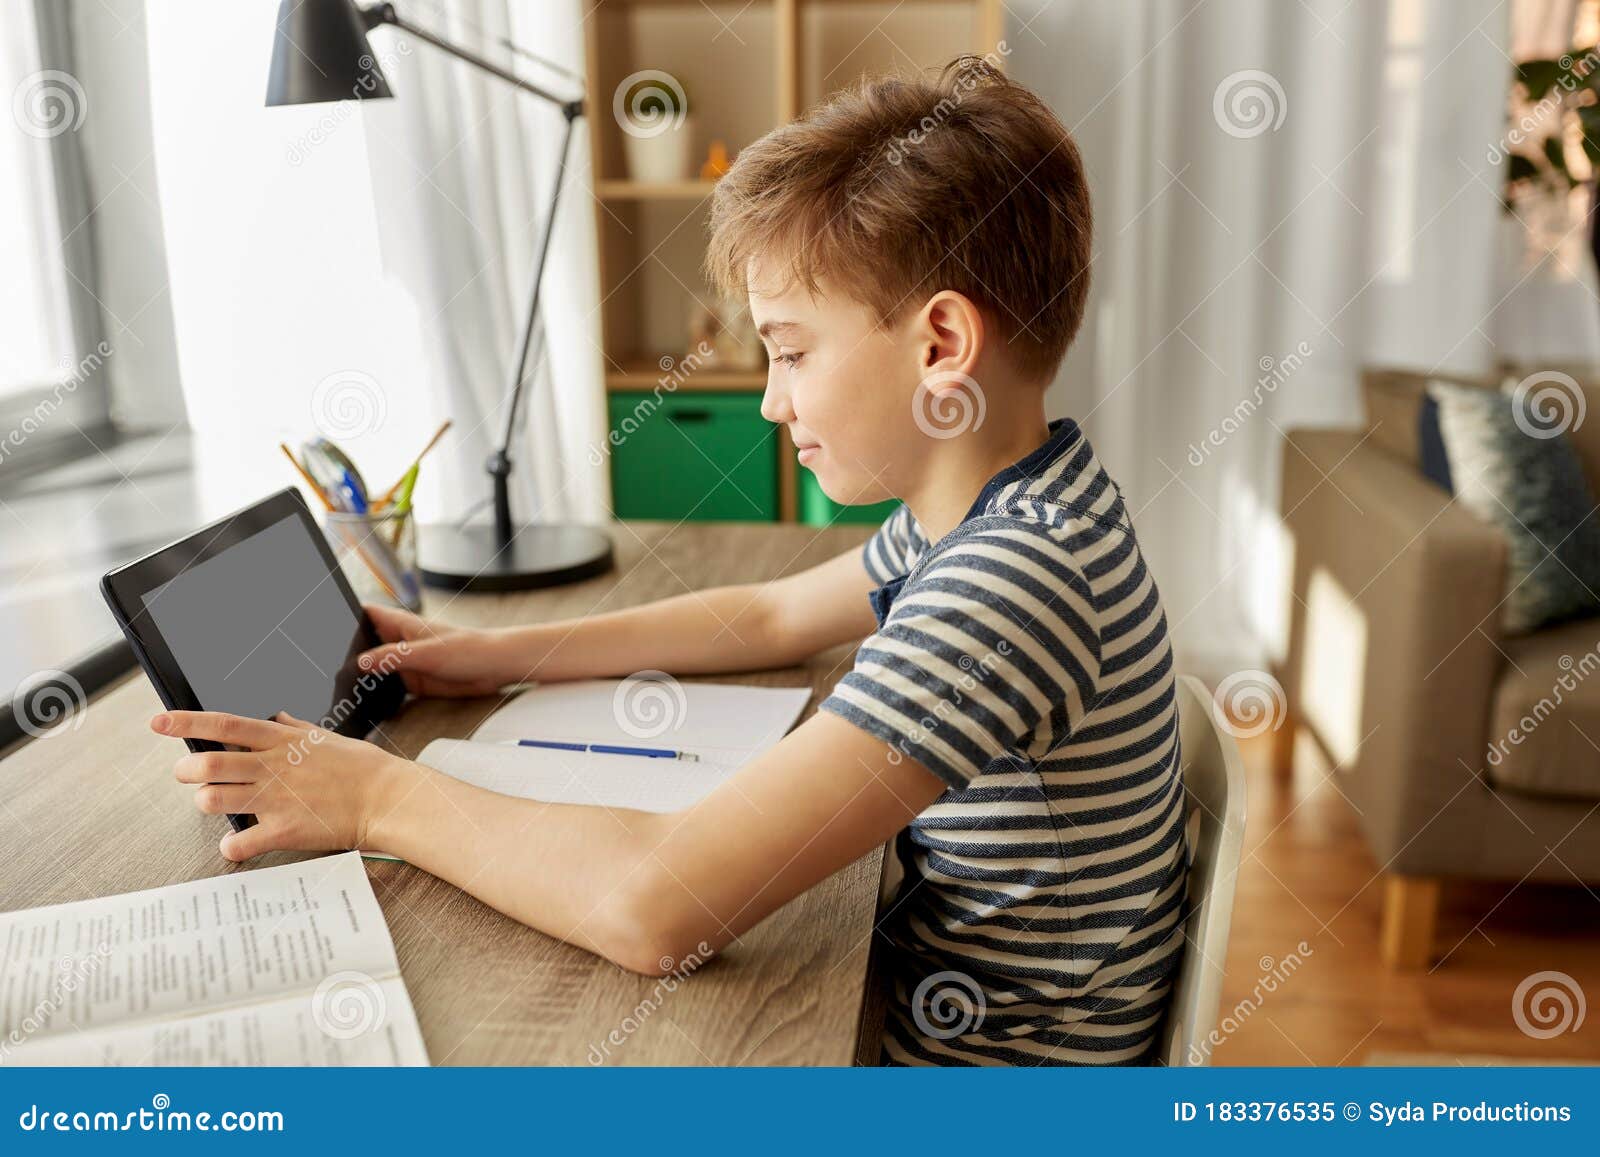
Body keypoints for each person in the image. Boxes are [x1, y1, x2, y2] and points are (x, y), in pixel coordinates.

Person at [153, 57, 1188, 1065]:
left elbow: (656, 906)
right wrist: (498, 653)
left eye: (790, 350)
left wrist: (378, 797)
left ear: (940, 344)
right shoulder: (1010, 505)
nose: (773, 400)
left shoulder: (1010, 582)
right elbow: (775, 616)